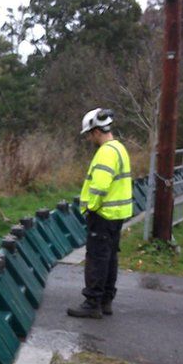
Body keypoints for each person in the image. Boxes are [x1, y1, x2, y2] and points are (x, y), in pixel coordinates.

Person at [67, 108, 133, 319]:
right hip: (117, 213)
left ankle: (92, 302)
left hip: (103, 214)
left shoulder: (105, 152)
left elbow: (100, 185)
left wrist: (90, 207)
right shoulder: (120, 149)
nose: (89, 138)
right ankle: (106, 300)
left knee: (96, 258)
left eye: (89, 134)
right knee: (110, 257)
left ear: (97, 131)